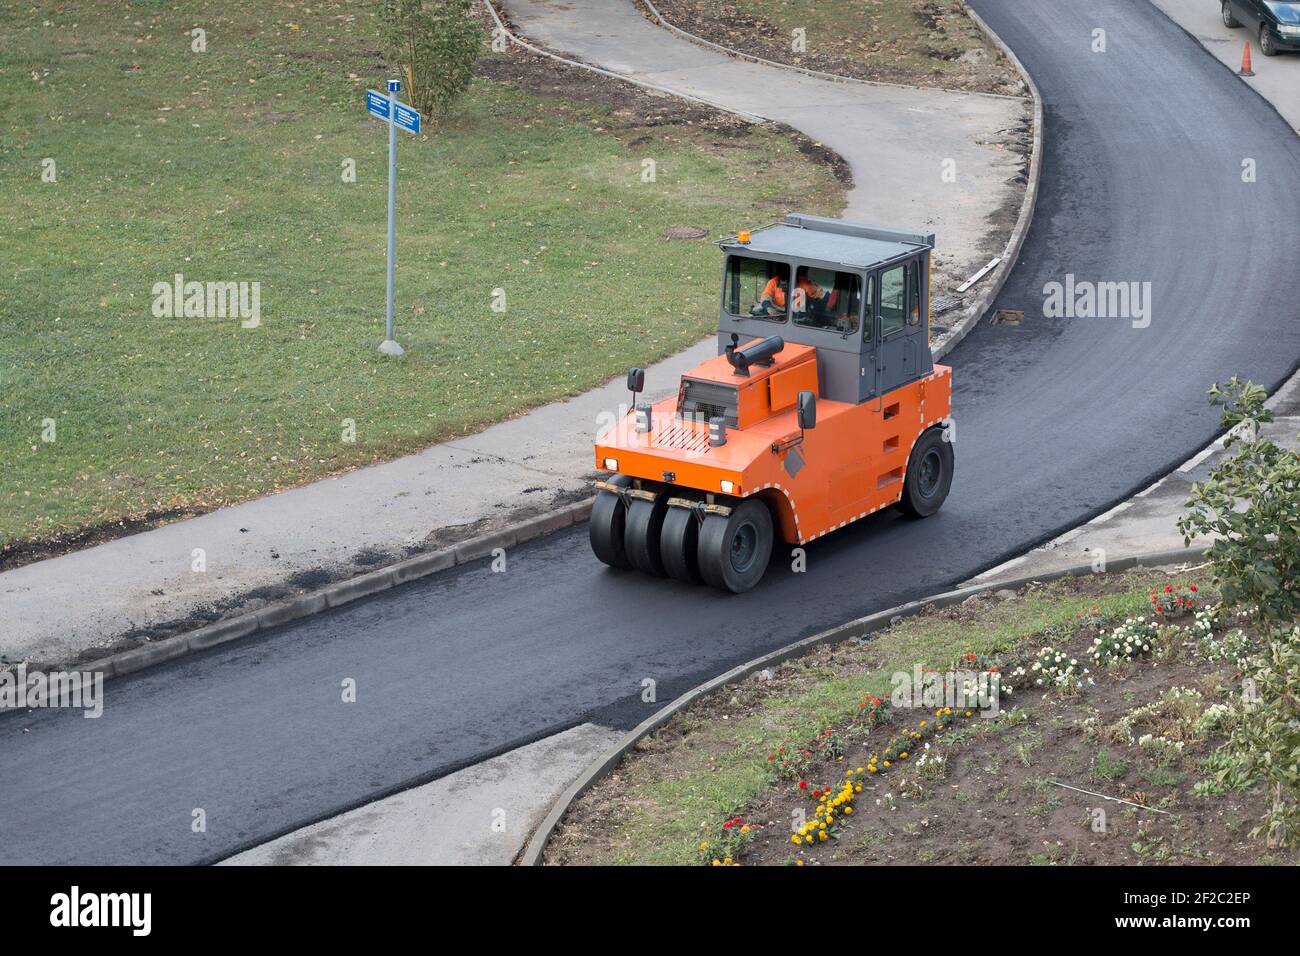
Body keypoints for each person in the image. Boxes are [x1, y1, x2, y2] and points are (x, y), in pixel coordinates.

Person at [751, 269, 829, 316]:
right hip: (776, 312)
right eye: (782, 279)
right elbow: (765, 296)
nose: (784, 284)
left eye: (787, 279)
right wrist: (768, 307)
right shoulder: (773, 282)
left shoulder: (805, 285)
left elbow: (823, 295)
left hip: (797, 316)